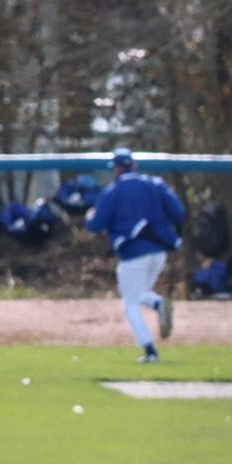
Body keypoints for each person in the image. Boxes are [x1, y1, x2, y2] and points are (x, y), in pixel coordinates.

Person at [83, 147, 184, 363]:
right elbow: (178, 212)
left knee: (130, 304)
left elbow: (95, 225)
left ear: (117, 169)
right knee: (139, 294)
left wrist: (89, 216)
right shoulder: (156, 184)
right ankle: (156, 303)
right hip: (159, 252)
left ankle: (150, 352)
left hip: (133, 253)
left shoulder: (112, 191)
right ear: (134, 166)